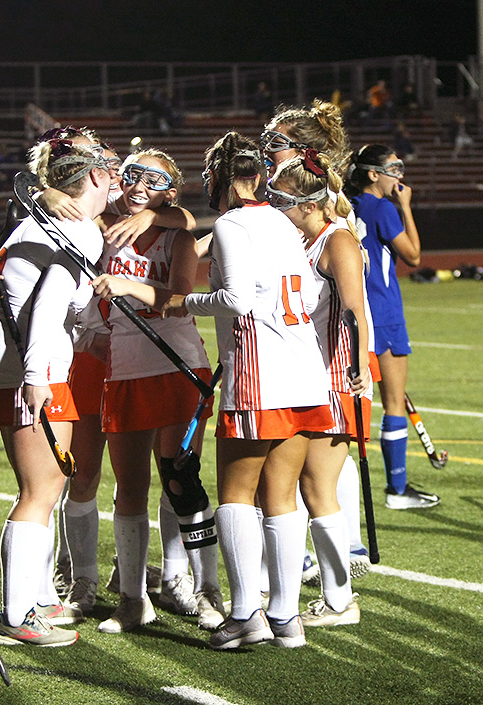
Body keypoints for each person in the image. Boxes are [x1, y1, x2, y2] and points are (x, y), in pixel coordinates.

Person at [163, 132, 333, 650]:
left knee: (237, 494)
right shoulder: (284, 221)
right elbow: (305, 292)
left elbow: (235, 300)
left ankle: (245, 615)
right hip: (305, 370)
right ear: (260, 175)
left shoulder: (233, 223)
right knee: (281, 496)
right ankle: (285, 618)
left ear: (216, 179)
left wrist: (183, 302)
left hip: (259, 372)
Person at [0, 135, 112, 646]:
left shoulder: (46, 220)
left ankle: (38, 594)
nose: (115, 178)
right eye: (109, 169)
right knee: (41, 492)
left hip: (12, 361)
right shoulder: (78, 229)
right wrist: (37, 378)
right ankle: (18, 613)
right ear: (92, 177)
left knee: (43, 490)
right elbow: (49, 307)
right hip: (31, 366)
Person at [90, 149, 224, 634]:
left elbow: (178, 299)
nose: (138, 183)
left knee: (180, 479)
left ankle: (208, 590)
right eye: (130, 174)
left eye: (154, 178)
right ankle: (132, 600)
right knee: (129, 488)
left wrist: (128, 287)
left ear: (170, 188)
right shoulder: (104, 227)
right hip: (125, 367)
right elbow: (55, 198)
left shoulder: (179, 236)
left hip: (178, 365)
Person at [261, 100, 373, 578]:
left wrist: (360, 369)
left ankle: (336, 586)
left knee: (313, 487)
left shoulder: (336, 238)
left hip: (332, 376)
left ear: (306, 200)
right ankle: (328, 589)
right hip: (304, 374)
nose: (274, 207)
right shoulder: (300, 235)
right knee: (305, 486)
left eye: (282, 201)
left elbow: (353, 311)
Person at [346, 144, 441, 509]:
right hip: (383, 313)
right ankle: (397, 490)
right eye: (393, 168)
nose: (399, 176)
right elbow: (414, 256)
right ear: (373, 174)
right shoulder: (384, 207)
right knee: (392, 405)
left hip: (353, 315)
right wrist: (406, 206)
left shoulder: (346, 204)